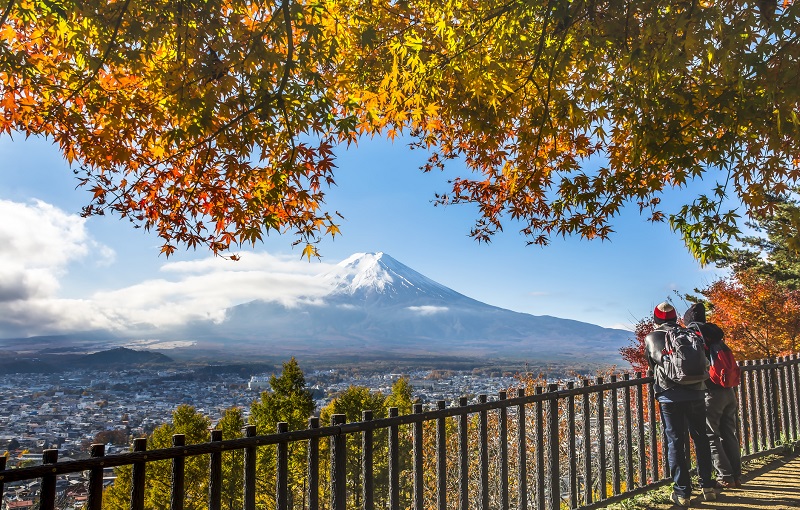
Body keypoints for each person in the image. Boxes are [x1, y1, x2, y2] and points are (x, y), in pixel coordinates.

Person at [644, 302, 716, 507]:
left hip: (670, 396)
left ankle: (682, 492)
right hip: (697, 392)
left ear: (656, 319)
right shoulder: (691, 334)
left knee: (675, 442)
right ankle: (708, 486)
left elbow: (652, 364)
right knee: (701, 438)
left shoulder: (652, 337)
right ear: (675, 318)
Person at [684, 302, 743, 489]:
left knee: (711, 435)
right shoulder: (716, 336)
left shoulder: (697, 337)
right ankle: (736, 475)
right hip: (729, 390)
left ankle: (725, 477)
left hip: (711, 392)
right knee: (729, 433)